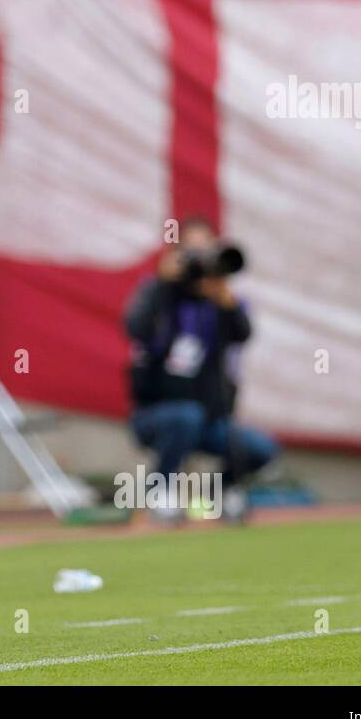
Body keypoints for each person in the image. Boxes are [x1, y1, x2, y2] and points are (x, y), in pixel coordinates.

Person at [123, 216, 278, 520]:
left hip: (208, 419)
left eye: (207, 252)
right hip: (156, 415)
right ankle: (162, 491)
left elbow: (243, 334)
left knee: (261, 449)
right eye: (192, 253)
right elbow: (135, 327)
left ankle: (211, 497)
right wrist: (163, 284)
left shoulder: (219, 300)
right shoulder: (158, 293)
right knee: (185, 416)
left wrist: (225, 299)